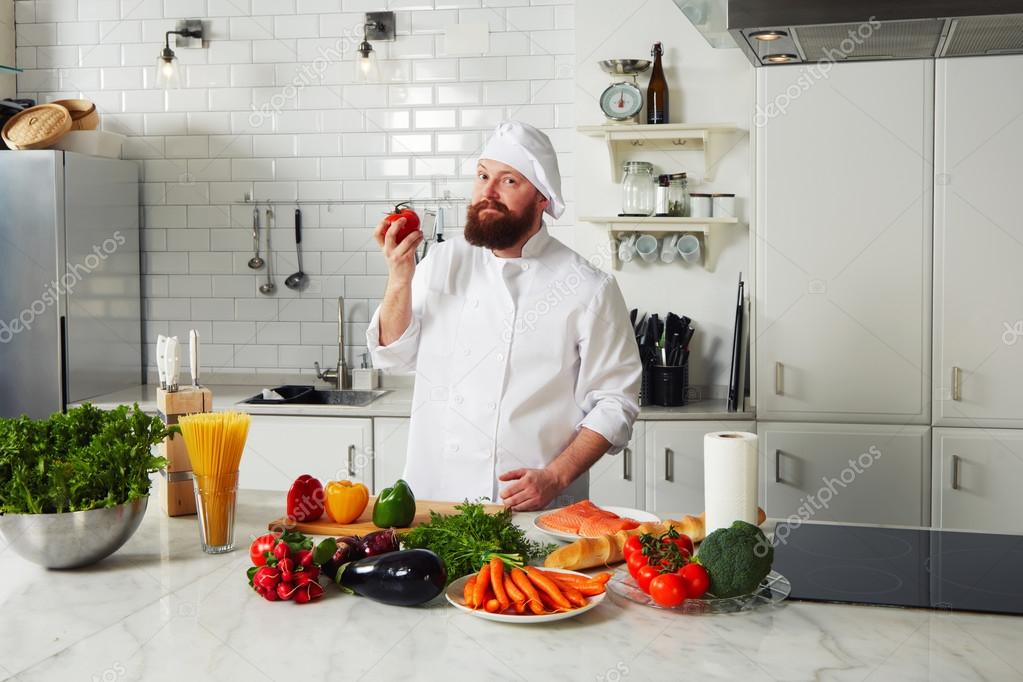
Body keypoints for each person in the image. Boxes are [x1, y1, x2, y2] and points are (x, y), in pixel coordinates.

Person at [367, 121, 641, 511]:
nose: (488, 193)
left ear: (542, 198)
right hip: (431, 500)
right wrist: (399, 277)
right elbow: (393, 355)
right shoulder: (443, 260)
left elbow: (616, 403)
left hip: (530, 509)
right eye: (483, 176)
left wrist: (556, 477)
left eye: (509, 181)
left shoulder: (587, 286)